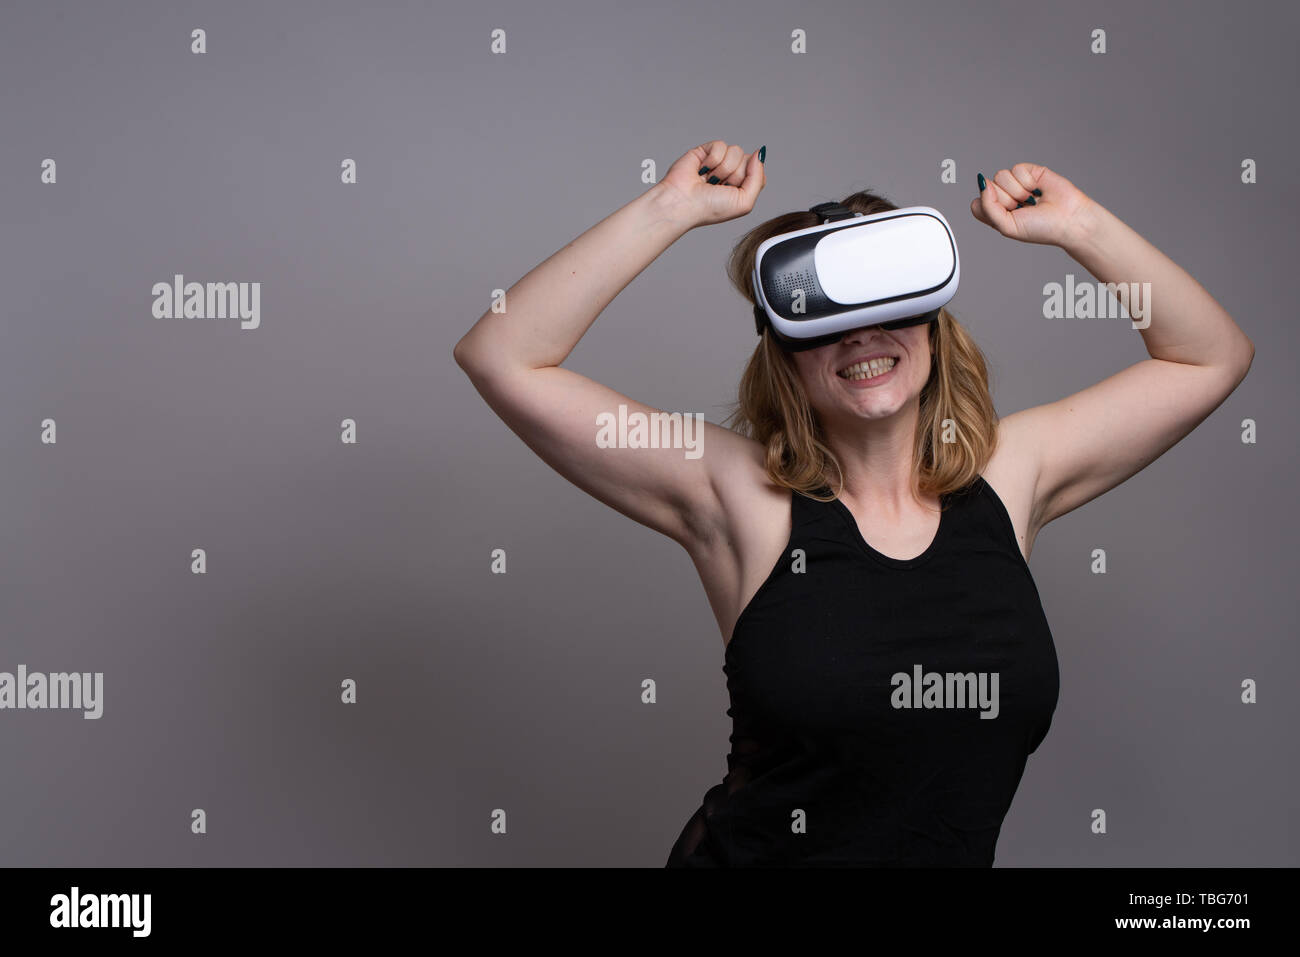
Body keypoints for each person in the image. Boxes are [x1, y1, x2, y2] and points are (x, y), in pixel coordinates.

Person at [453, 140, 1254, 866]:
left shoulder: (1012, 479)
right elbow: (503, 356)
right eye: (824, 317)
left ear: (934, 327)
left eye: (889, 305)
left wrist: (1080, 225)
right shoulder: (738, 494)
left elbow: (1209, 357)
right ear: (781, 354)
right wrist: (671, 208)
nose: (862, 335)